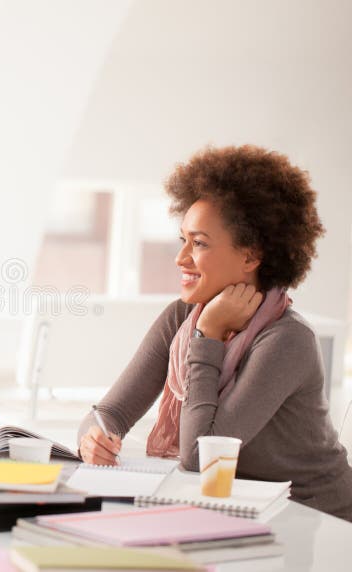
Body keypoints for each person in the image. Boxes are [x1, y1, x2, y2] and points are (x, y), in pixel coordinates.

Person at [78, 145, 352, 521]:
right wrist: (92, 438)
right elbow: (109, 412)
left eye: (200, 243)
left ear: (251, 257)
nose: (181, 257)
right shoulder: (181, 317)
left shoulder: (287, 340)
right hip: (236, 509)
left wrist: (208, 336)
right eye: (183, 240)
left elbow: (198, 454)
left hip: (315, 520)